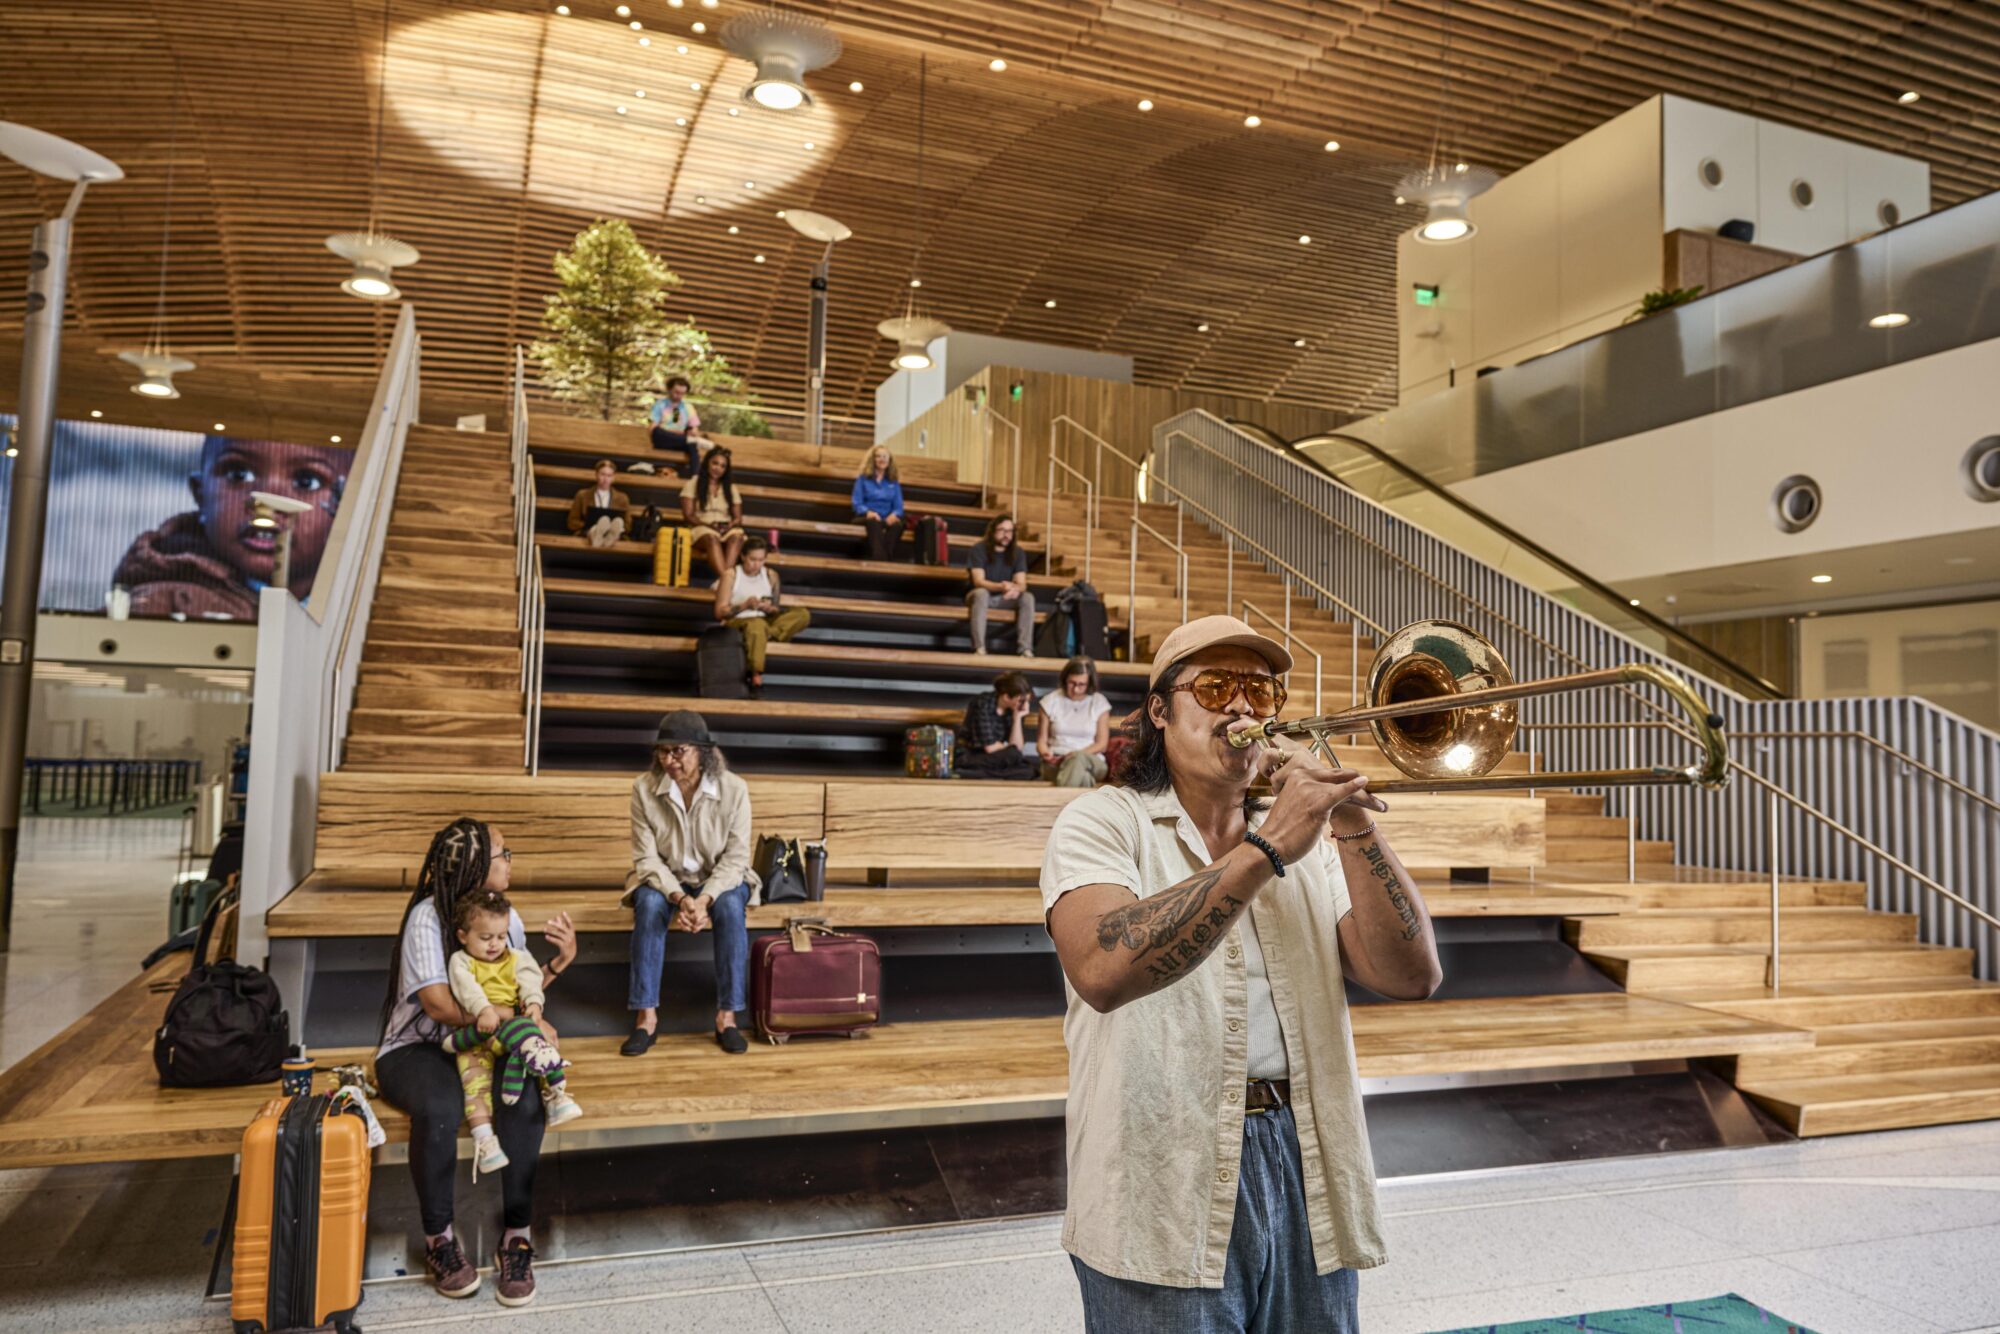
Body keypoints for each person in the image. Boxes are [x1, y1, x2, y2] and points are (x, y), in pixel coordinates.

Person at [1041, 614, 1442, 1332]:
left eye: (1260, 691)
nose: (1241, 706)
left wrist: (1353, 823)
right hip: (1160, 1165)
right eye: (1215, 687)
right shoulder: (1103, 820)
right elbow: (1102, 969)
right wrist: (1270, 844)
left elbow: (1412, 975)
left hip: (1308, 1154)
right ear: (1160, 711)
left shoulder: (1312, 839)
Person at [375, 818, 578, 1308]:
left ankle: (516, 1237)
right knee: (441, 1107)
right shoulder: (428, 917)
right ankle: (439, 1240)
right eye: (503, 853)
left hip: (487, 1045)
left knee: (524, 1100)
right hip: (418, 1047)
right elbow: (440, 1006)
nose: (509, 861)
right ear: (474, 866)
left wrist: (557, 965)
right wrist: (516, 1021)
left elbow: (518, 984)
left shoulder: (507, 916)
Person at [622, 710, 760, 1056]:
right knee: (649, 903)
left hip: (720, 880)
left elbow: (736, 859)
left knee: (731, 905)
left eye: (678, 751)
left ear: (702, 752)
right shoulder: (643, 789)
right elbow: (646, 860)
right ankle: (646, 1018)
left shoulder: (734, 790)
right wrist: (680, 898)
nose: (668, 760)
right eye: (663, 751)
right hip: (667, 880)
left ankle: (727, 1018)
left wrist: (704, 899)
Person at [114, 435, 351, 620]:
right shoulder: (163, 603)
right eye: (238, 474)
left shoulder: (351, 603)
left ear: (346, 503)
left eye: (306, 481)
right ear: (200, 494)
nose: (266, 501)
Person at [440, 889, 582, 1182]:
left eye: (501, 936)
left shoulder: (517, 958)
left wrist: (534, 1005)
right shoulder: (461, 961)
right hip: (477, 1035)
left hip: (509, 1031)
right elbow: (467, 988)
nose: (495, 944)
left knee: (533, 1047)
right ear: (463, 936)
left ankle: (555, 1094)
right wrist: (483, 1009)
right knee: (475, 1084)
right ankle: (485, 1140)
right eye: (485, 937)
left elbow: (530, 982)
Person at [713, 536, 809, 697]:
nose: (756, 564)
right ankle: (755, 675)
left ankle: (766, 634)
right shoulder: (731, 575)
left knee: (802, 614)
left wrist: (768, 608)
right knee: (757, 625)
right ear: (743, 556)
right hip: (739, 621)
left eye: (761, 560)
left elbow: (775, 609)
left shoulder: (771, 575)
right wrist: (744, 605)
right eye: (752, 559)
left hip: (763, 619)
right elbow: (719, 612)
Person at [964, 514, 1035, 656]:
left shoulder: (1018, 552)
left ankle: (1025, 649)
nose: (1006, 535)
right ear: (993, 531)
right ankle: (979, 647)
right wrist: (1002, 587)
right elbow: (979, 582)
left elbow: (1022, 584)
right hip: (978, 597)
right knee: (981, 593)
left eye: (1010, 531)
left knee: (1027, 597)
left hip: (1004, 597)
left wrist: (1014, 589)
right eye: (1002, 530)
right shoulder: (978, 549)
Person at [1038, 656, 1113, 787]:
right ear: (1065, 679)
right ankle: (1082, 788)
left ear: (1089, 683)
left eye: (1081, 684)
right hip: (1058, 761)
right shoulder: (1050, 701)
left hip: (1091, 760)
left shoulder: (1099, 702)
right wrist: (1045, 752)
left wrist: (1076, 755)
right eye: (1072, 683)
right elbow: (1041, 741)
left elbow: (1102, 744)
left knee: (1077, 759)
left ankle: (1061, 797)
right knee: (1083, 778)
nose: (1076, 689)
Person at [955, 670, 1040, 780]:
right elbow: (990, 747)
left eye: (1028, 701)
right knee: (1014, 757)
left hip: (996, 758)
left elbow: (1017, 747)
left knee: (1028, 770)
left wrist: (1017, 718)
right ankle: (971, 772)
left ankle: (980, 774)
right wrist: (1010, 750)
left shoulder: (1014, 709)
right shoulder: (982, 704)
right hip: (971, 755)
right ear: (1006, 697)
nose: (1025, 706)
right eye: (1022, 701)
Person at [680, 446, 745, 577]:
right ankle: (727, 581)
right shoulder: (693, 483)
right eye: (715, 463)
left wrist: (730, 525)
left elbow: (738, 518)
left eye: (722, 466)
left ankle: (725, 581)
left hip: (725, 528)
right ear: (707, 463)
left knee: (737, 537)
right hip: (701, 527)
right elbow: (688, 516)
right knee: (712, 538)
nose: (718, 468)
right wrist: (709, 526)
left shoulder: (731, 487)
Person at [850, 445, 905, 562]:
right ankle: (881, 560)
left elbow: (898, 507)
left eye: (885, 456)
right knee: (874, 523)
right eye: (878, 456)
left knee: (898, 525)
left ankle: (884, 559)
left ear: (889, 460)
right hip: (867, 517)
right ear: (873, 460)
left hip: (886, 518)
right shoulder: (863, 479)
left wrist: (894, 515)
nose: (882, 459)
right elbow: (857, 503)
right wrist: (868, 512)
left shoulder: (894, 482)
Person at [565, 459, 632, 548]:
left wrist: (616, 528)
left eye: (609, 475)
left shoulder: (622, 498)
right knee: (594, 530)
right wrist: (590, 525)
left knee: (617, 524)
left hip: (613, 531)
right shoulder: (582, 495)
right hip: (588, 531)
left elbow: (628, 525)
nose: (605, 479)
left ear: (613, 478)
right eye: (602, 474)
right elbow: (572, 522)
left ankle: (610, 536)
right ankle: (596, 535)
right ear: (596, 475)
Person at [649, 374, 703, 478]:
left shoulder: (688, 407)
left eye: (682, 393)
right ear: (669, 390)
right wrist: (675, 433)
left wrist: (691, 432)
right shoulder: (660, 405)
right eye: (676, 392)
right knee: (657, 431)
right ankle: (687, 440)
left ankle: (695, 477)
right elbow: (652, 429)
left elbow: (695, 429)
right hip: (664, 440)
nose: (679, 396)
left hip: (680, 442)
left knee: (692, 443)